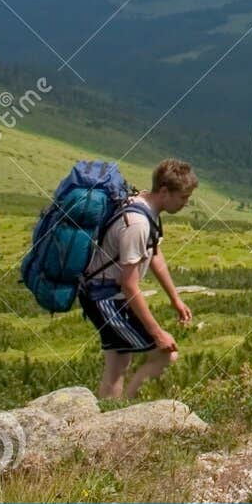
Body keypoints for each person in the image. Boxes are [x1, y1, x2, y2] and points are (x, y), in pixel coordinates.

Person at [79, 158, 199, 401]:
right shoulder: (138, 224)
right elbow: (129, 284)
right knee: (165, 355)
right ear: (164, 191)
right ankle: (127, 408)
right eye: (183, 197)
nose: (185, 204)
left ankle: (110, 411)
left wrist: (175, 298)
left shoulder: (143, 205)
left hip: (99, 294)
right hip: (107, 298)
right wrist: (157, 333)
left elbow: (154, 254)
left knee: (118, 363)